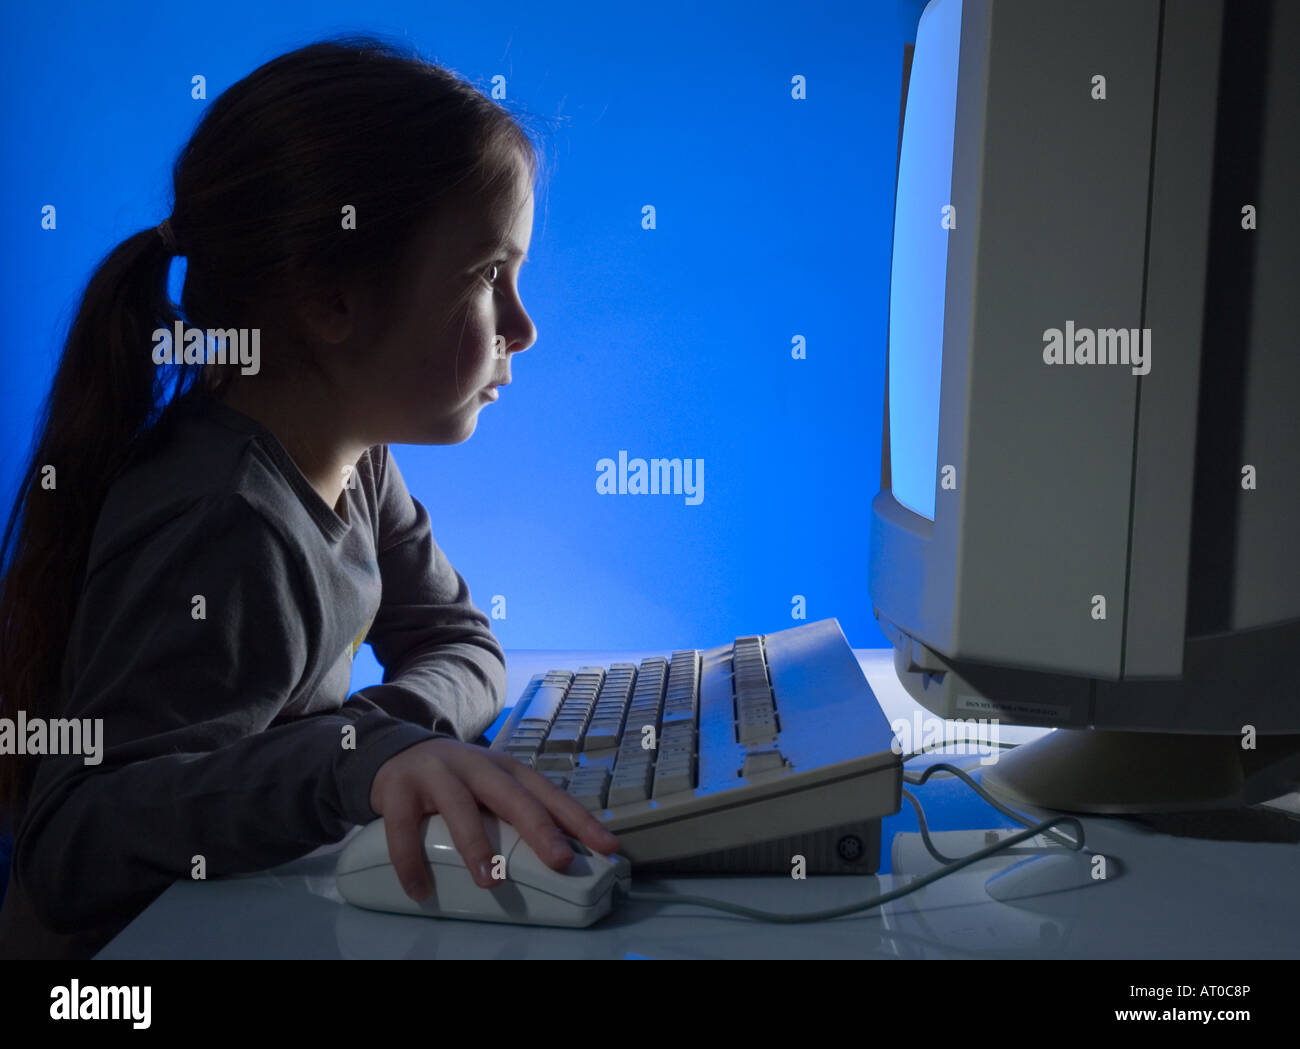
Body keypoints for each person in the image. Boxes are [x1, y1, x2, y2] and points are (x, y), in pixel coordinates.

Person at [0, 35, 619, 960]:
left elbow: (460, 641)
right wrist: (352, 762)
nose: (524, 327)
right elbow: (71, 839)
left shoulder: (358, 462)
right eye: (490, 275)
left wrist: (382, 746)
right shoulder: (223, 518)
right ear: (333, 299)